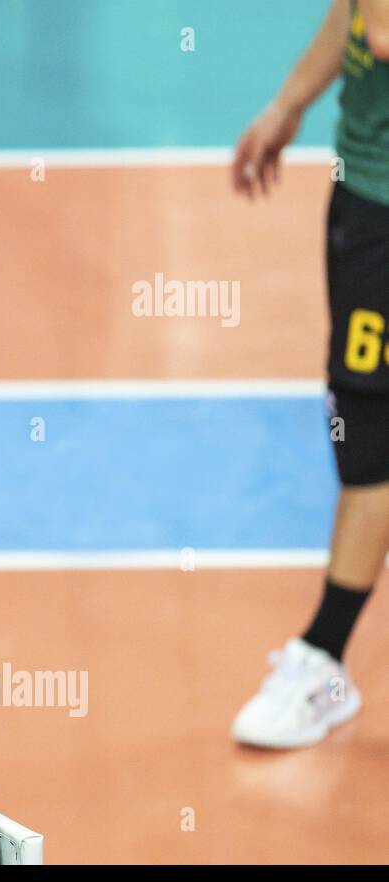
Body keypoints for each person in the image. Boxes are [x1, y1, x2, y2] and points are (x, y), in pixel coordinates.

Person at [230, 0, 389, 748]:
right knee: (368, 438)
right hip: (367, 194)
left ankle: (323, 660)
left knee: (373, 439)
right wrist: (291, 101)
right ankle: (325, 665)